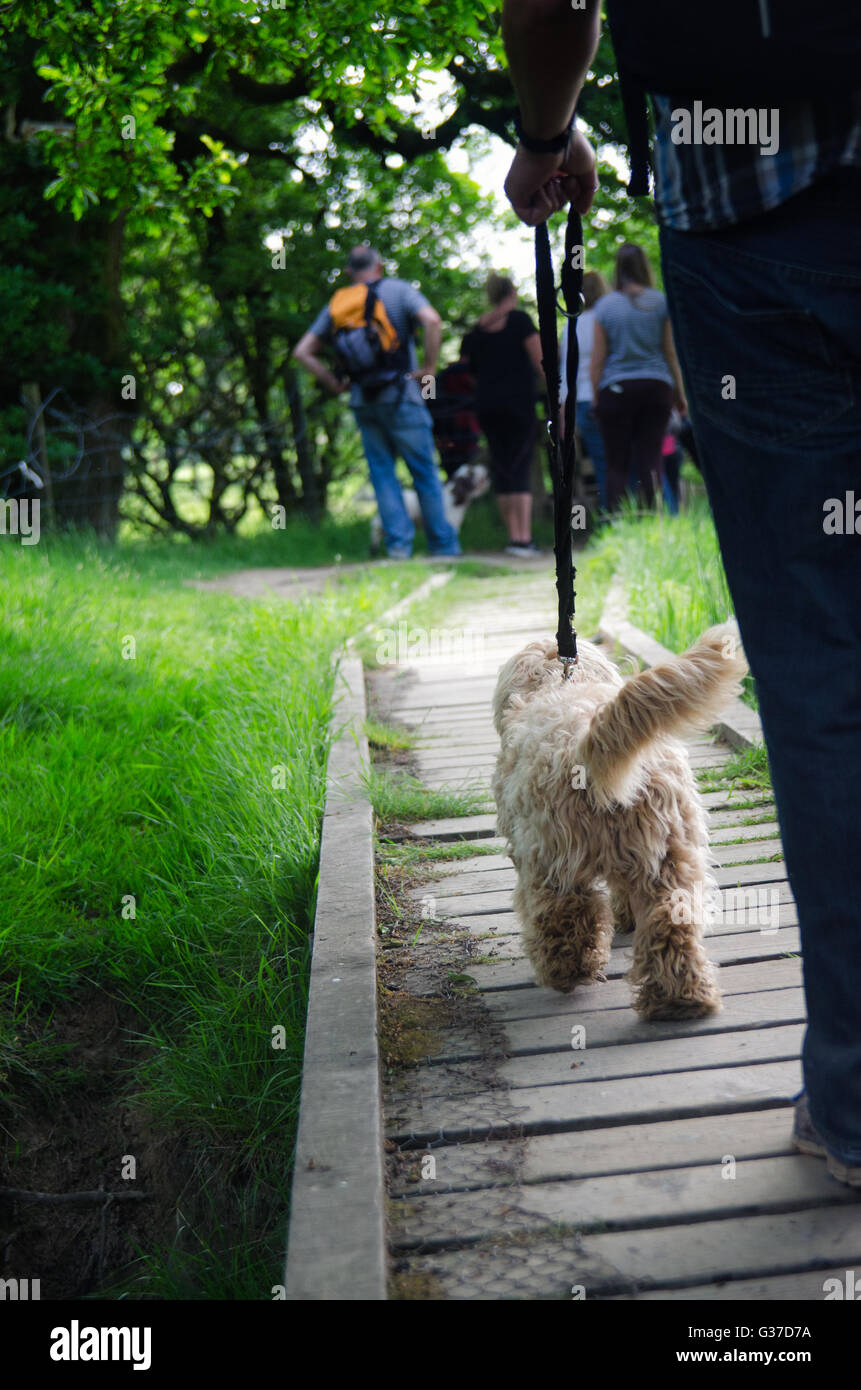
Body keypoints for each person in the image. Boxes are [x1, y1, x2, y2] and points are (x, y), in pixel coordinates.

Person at [501, 0, 861, 1184]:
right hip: (753, 239)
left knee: (818, 676)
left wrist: (546, 130)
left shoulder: (527, 737)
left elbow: (554, 5)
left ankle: (852, 1104)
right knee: (672, 869)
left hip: (761, 225)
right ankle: (684, 963)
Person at [293, 245, 460, 559]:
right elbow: (433, 321)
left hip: (363, 401)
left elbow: (302, 352)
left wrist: (334, 383)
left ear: (348, 273)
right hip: (403, 396)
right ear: (379, 267)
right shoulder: (398, 291)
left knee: (382, 474)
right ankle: (444, 548)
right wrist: (428, 370)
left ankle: (398, 548)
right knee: (423, 470)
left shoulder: (340, 303)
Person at [589, 244, 686, 511]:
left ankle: (616, 521)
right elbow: (670, 352)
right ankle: (651, 521)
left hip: (616, 388)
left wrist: (598, 397)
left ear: (617, 268)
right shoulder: (660, 301)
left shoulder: (605, 307)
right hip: (656, 387)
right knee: (650, 457)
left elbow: (597, 360)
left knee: (616, 462)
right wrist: (679, 393)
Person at [461, 273, 544, 557]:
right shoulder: (520, 322)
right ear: (512, 292)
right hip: (518, 405)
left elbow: (466, 372)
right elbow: (541, 361)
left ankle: (513, 538)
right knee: (520, 465)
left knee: (503, 468)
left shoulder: (476, 331)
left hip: (486, 406)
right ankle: (524, 539)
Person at [560, 269, 610, 511]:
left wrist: (561, 410)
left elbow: (564, 371)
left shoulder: (571, 326)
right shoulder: (608, 318)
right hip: (610, 395)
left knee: (601, 463)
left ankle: (610, 515)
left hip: (583, 401)